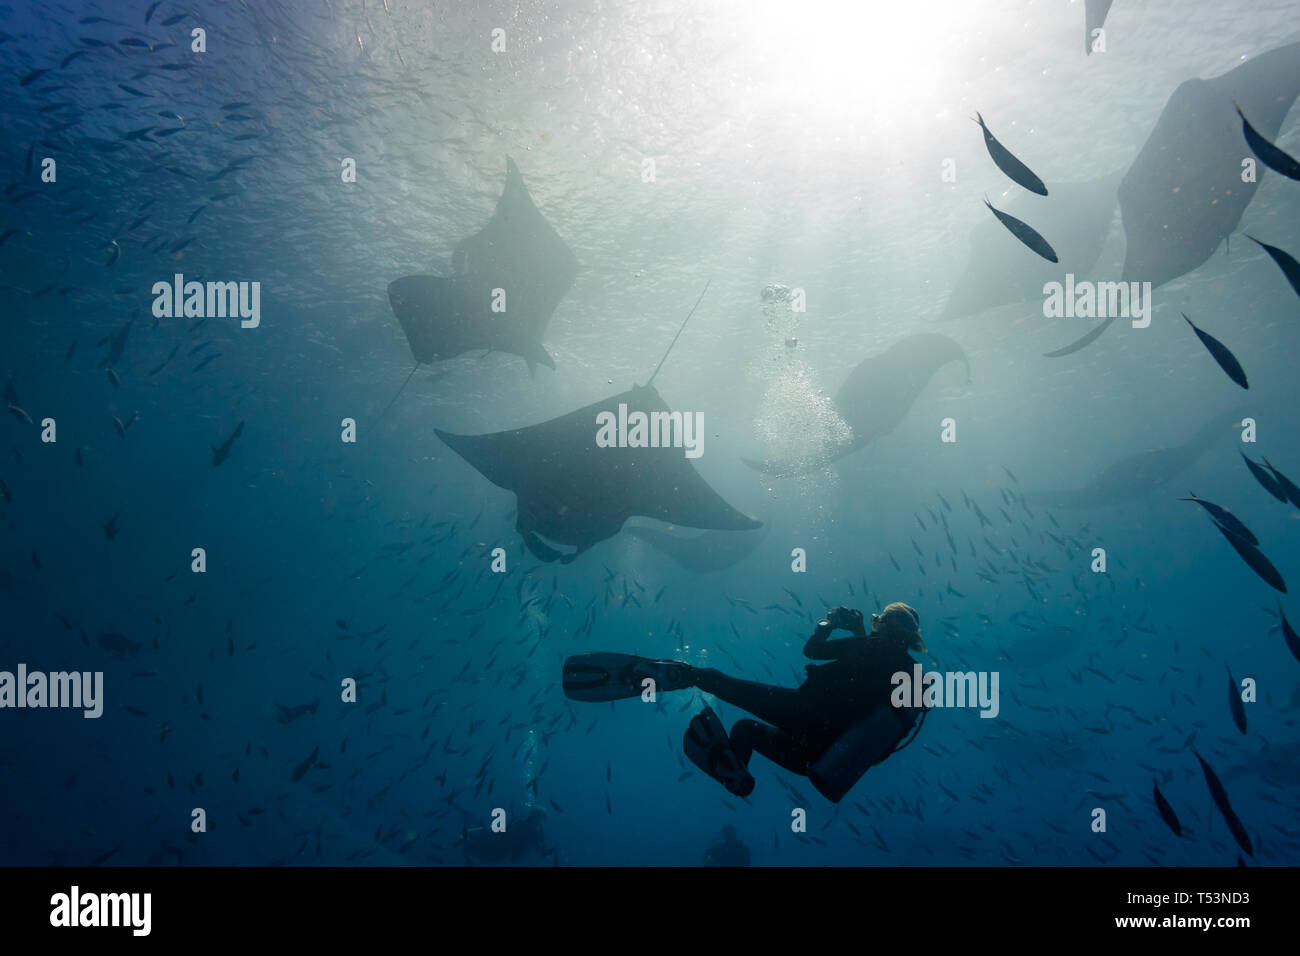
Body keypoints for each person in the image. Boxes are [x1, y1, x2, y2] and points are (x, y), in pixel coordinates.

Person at [562, 603, 928, 802]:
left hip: (803, 714)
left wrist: (828, 624)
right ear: (911, 639)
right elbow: (866, 697)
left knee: (723, 684)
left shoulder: (872, 646)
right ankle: (739, 780)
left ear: (884, 626)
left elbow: (813, 651)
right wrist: (861, 636)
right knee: (745, 730)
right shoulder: (911, 676)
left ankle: (689, 676)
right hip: (824, 759)